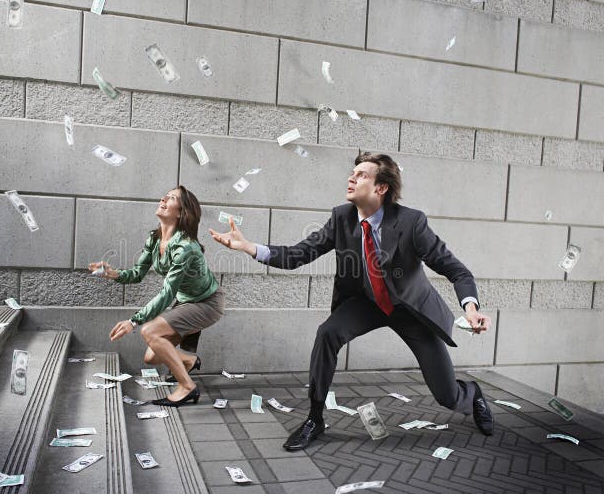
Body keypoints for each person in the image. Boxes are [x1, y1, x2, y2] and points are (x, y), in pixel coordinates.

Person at [209, 152, 494, 451]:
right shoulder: (341, 218)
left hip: (410, 309)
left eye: (361, 175)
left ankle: (472, 394)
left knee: (446, 396)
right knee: (328, 333)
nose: (351, 178)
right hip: (367, 302)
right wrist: (249, 247)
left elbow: (455, 269)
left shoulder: (411, 222)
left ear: (381, 188)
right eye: (352, 172)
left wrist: (471, 309)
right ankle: (315, 419)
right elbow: (299, 254)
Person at [90, 186, 224, 407]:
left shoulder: (186, 247)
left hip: (206, 304)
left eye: (171, 198)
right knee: (151, 357)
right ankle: (190, 360)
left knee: (149, 331)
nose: (163, 198)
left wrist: (134, 321)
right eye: (165, 195)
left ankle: (187, 387)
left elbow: (166, 293)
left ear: (181, 212)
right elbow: (136, 273)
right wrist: (112, 273)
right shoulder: (155, 238)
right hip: (185, 302)